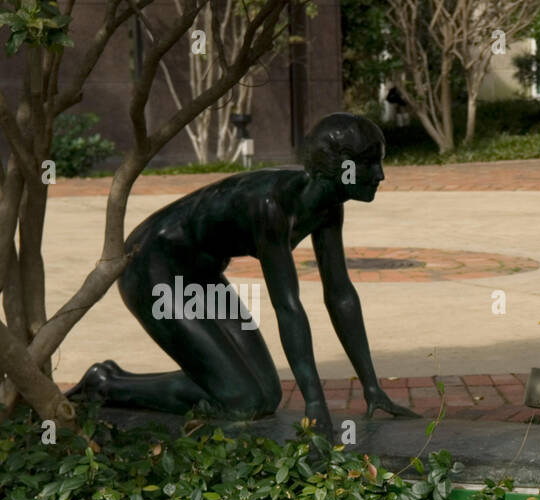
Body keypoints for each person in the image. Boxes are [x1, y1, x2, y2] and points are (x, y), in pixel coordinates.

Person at [68, 113, 415, 440]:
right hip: (151, 266)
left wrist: (372, 386)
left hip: (200, 273)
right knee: (241, 400)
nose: (380, 174)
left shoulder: (328, 205)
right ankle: (106, 384)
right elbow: (288, 306)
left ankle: (186, 381)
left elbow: (340, 295)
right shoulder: (271, 206)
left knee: (266, 396)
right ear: (342, 169)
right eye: (370, 163)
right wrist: (314, 403)